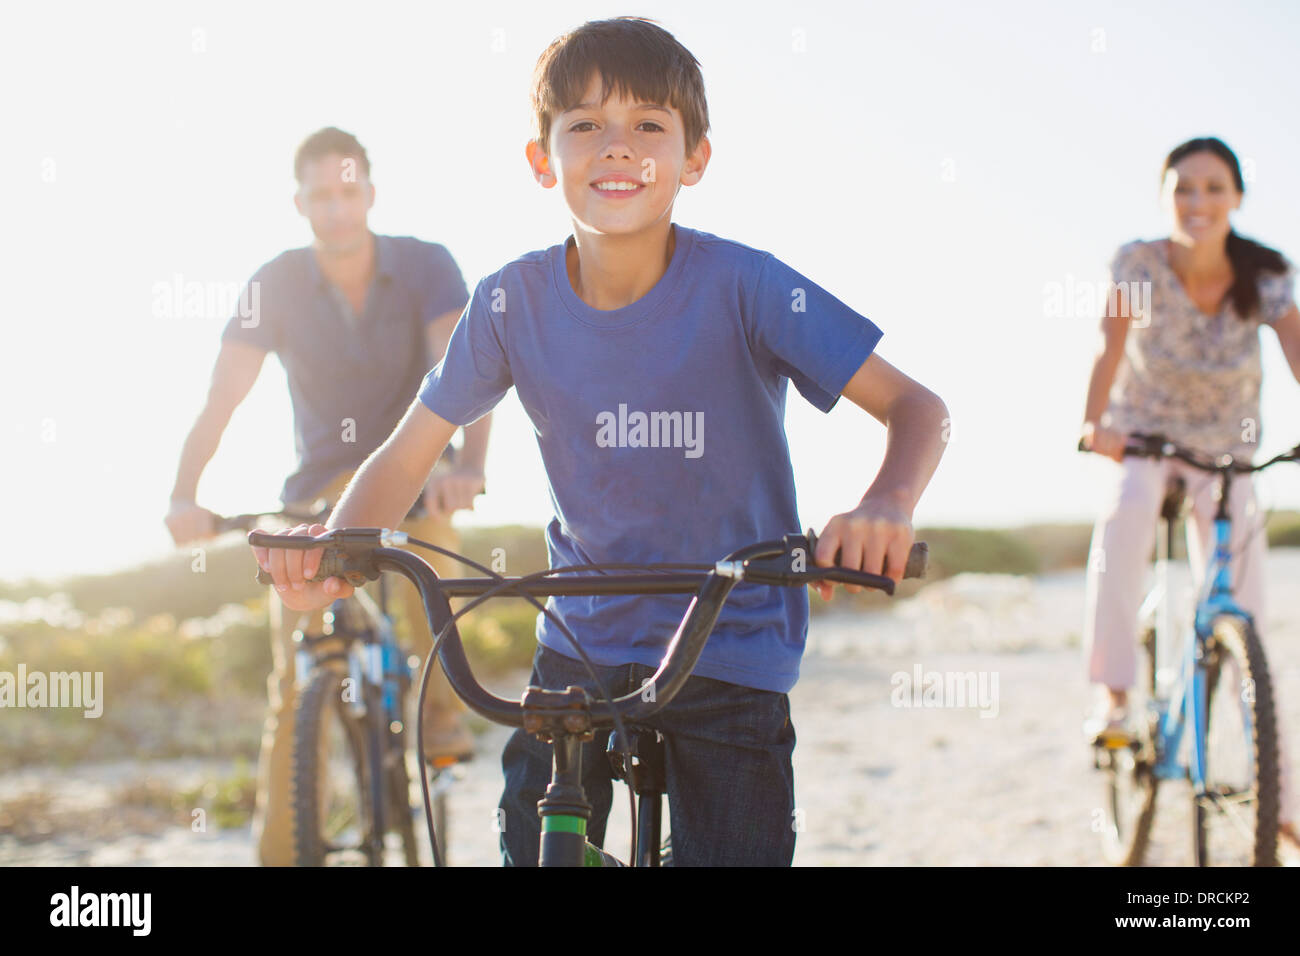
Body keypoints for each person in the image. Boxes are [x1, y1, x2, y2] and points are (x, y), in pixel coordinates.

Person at [253, 17, 948, 866]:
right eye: (584, 125)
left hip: (730, 638)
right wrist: (338, 551)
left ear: (694, 160)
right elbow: (408, 449)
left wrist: (886, 502)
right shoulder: (510, 302)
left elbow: (917, 407)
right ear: (543, 160)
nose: (617, 147)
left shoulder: (749, 286)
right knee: (533, 839)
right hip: (579, 638)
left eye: (649, 125)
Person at [165, 127, 491, 866]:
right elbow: (223, 397)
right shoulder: (275, 282)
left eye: (350, 194)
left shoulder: (426, 265)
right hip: (315, 490)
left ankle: (441, 716)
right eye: (322, 197)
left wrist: (465, 466)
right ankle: (285, 855)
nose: (338, 210)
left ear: (370, 195)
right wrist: (186, 494)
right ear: (299, 203)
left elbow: (462, 369)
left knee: (436, 550)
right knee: (299, 673)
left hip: (414, 478)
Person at [1079, 136, 1300, 853]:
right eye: (1184, 189)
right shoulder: (1139, 263)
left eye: (1213, 188)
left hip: (1226, 447)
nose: (1198, 203)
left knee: (1248, 615)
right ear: (1165, 197)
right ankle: (1113, 694)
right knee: (1126, 518)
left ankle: (1284, 802)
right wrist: (1095, 420)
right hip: (1145, 437)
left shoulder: (1266, 274)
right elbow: (1109, 347)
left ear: (1237, 197)